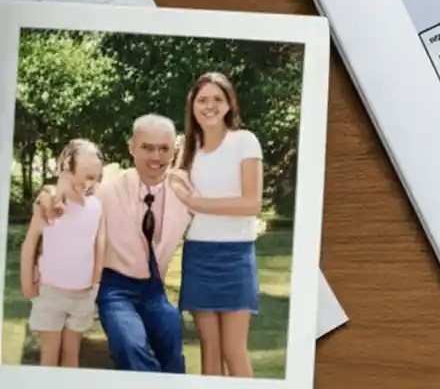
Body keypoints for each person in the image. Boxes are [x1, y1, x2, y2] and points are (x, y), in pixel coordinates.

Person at [38, 115, 192, 373]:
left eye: (163, 149)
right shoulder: (108, 187)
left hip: (154, 289)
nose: (156, 157)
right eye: (147, 147)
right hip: (116, 288)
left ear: (172, 151)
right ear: (132, 147)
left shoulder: (183, 191)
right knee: (130, 344)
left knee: (170, 336)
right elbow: (70, 191)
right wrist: (50, 194)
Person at [169, 72, 263, 378]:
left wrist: (196, 203)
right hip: (199, 255)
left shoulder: (245, 141)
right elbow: (173, 190)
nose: (209, 106)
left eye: (217, 99)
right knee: (209, 348)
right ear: (192, 105)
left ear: (229, 104)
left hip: (236, 256)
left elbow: (251, 204)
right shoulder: (188, 148)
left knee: (233, 349)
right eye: (202, 100)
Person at [20, 139, 105, 367]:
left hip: (83, 297)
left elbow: (99, 243)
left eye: (95, 178)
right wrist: (27, 284)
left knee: (71, 358)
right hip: (51, 295)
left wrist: (95, 283)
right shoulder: (47, 205)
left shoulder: (96, 206)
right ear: (67, 166)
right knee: (49, 360)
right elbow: (30, 242)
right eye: (86, 176)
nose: (89, 184)